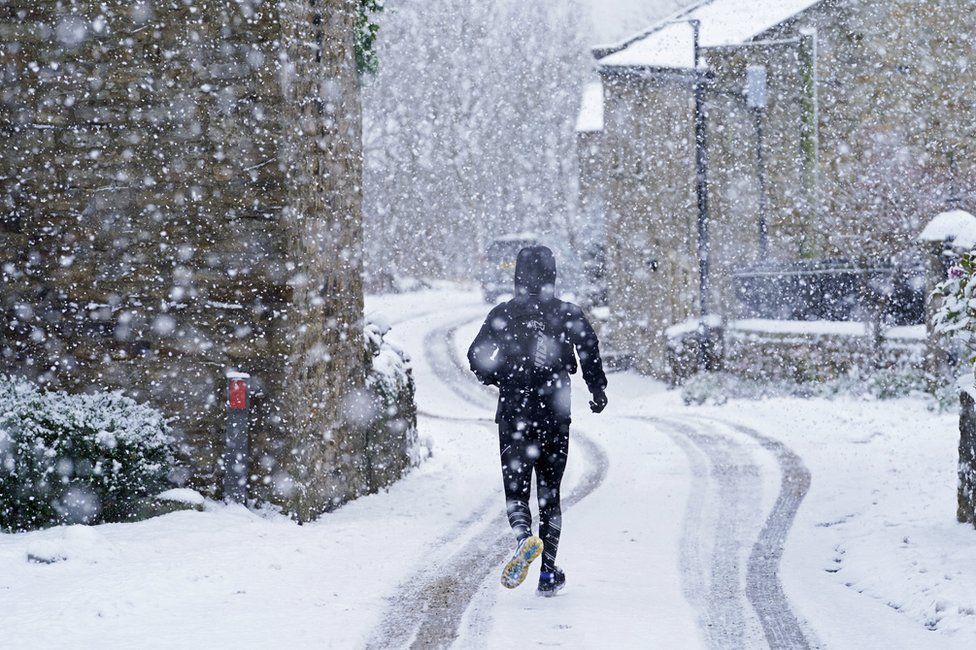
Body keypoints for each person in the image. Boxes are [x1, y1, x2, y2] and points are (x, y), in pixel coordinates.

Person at [467, 245, 608, 597]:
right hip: (554, 415)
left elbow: (476, 355)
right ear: (553, 276)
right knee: (550, 494)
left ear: (516, 276)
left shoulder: (504, 314)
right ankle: (547, 573)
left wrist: (502, 376)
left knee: (516, 489)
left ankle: (521, 537)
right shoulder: (567, 314)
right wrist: (597, 390)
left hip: (514, 413)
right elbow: (589, 351)